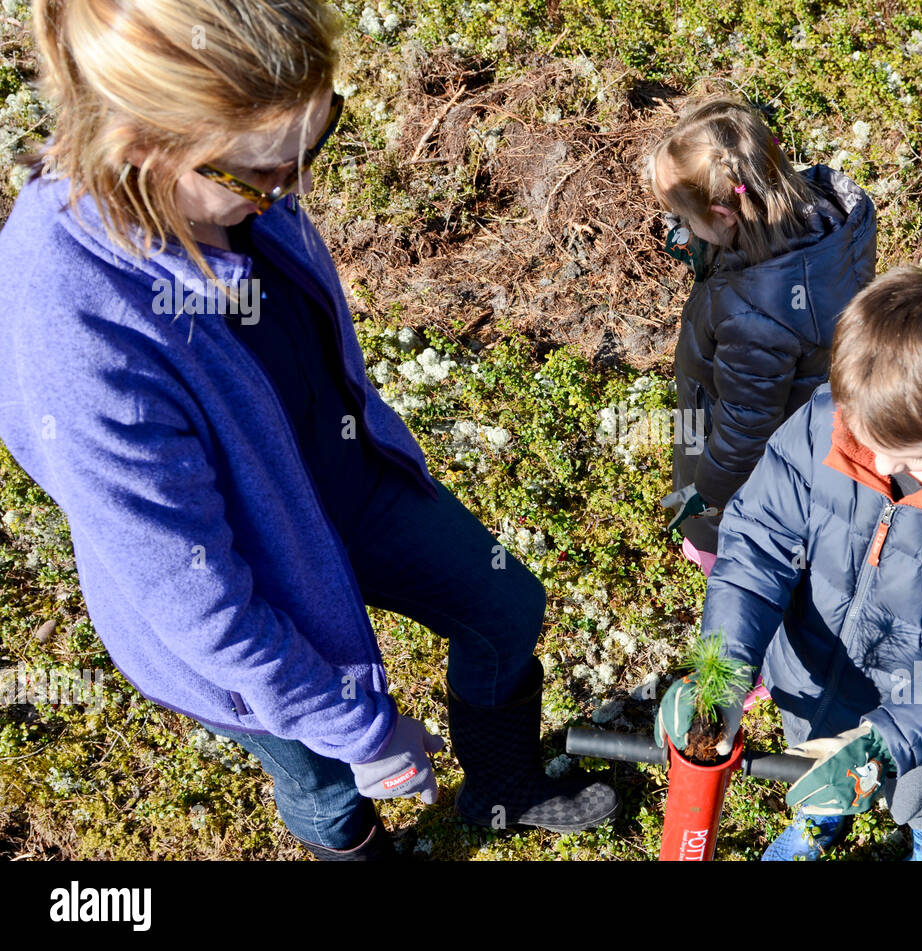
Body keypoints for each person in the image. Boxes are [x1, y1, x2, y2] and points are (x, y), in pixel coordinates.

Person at [0, 0, 614, 860]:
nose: (291, 191)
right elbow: (200, 602)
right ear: (145, 148)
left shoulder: (225, 172)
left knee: (506, 603)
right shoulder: (77, 332)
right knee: (321, 780)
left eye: (314, 146)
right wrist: (359, 731)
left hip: (347, 482)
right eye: (263, 177)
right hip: (241, 591)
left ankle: (502, 788)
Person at [655, 262, 922, 860]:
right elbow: (758, 541)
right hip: (807, 663)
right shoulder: (822, 423)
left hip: (918, 700)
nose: (881, 468)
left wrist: (886, 742)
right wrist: (725, 670)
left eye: (908, 452)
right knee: (808, 740)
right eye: (866, 440)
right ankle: (822, 817)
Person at [646, 96, 878, 579]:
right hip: (814, 431)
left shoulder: (753, 318)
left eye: (685, 219)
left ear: (724, 215)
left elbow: (741, 436)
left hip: (748, 480)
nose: (679, 228)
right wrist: (695, 240)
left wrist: (701, 503)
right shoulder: (825, 218)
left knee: (728, 563)